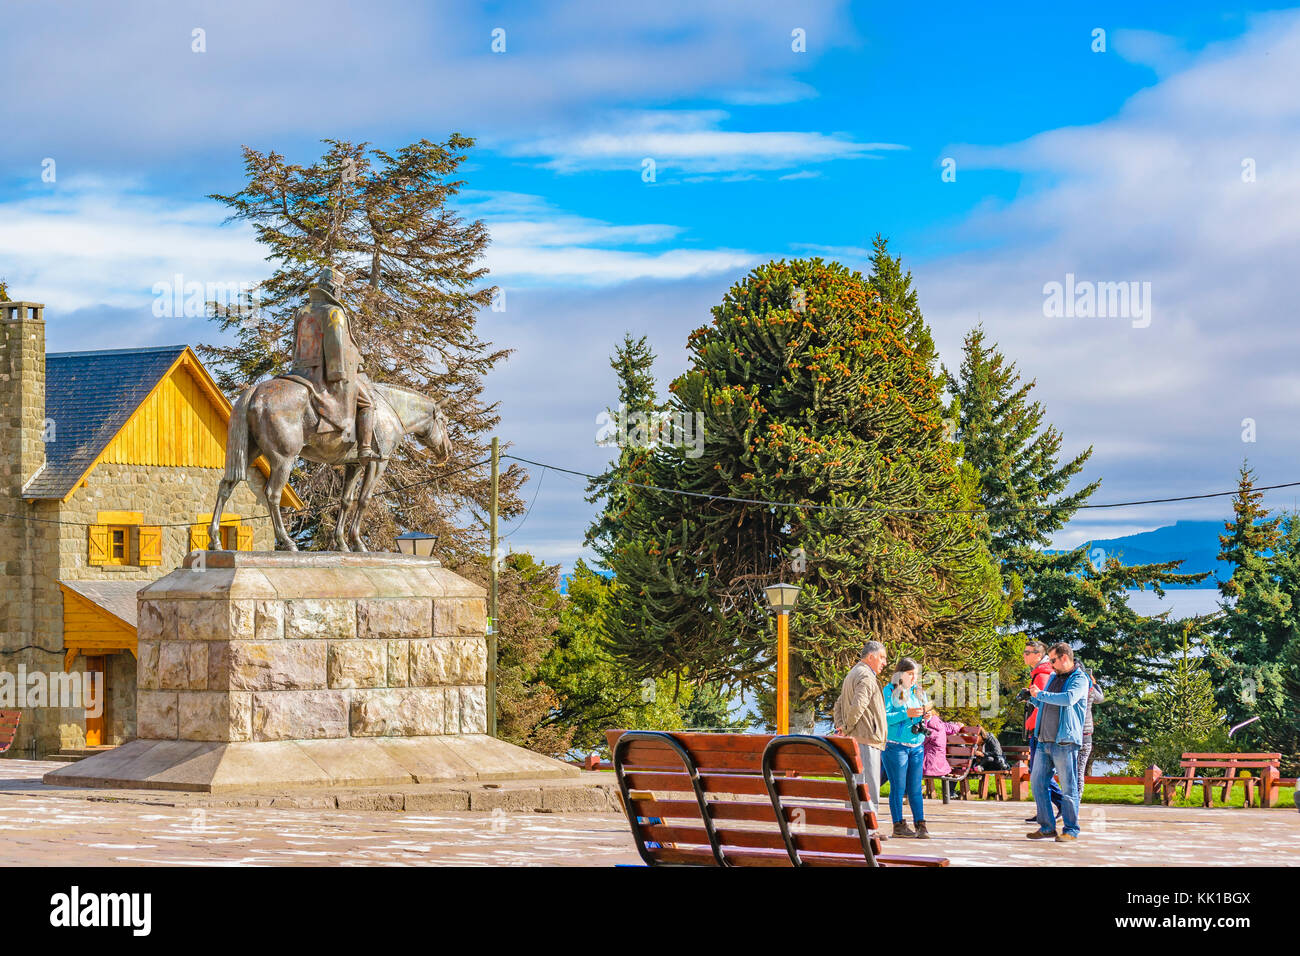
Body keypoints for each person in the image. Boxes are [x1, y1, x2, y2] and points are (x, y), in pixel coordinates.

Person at [288, 266, 379, 460]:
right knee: (368, 404)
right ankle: (364, 448)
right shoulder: (334, 312)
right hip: (323, 374)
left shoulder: (302, 311)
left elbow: (294, 344)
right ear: (335, 290)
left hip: (298, 372)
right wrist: (340, 375)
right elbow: (335, 347)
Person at [1026, 643, 1089, 843]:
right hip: (1044, 741)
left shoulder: (1079, 679)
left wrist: (1041, 695)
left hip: (1064, 742)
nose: (1050, 664)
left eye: (1052, 660)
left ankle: (1071, 830)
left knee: (1069, 788)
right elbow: (1047, 703)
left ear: (1064, 658)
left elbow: (1068, 699)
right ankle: (1047, 827)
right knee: (1037, 785)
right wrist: (1032, 699)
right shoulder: (1054, 677)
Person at [833, 641, 889, 837]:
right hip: (866, 740)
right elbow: (858, 705)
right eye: (882, 657)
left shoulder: (853, 673)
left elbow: (838, 703)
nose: (885, 662)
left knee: (855, 785)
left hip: (857, 738)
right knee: (868, 786)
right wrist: (846, 728)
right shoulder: (866, 675)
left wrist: (841, 727)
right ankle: (868, 832)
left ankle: (854, 831)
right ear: (871, 656)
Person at [882, 658, 932, 839]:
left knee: (916, 788)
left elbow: (924, 715)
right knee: (898, 786)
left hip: (917, 745)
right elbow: (885, 718)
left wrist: (927, 713)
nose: (914, 678)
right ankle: (898, 825)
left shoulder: (919, 692)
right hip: (895, 746)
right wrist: (906, 713)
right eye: (910, 674)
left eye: (916, 674)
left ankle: (921, 824)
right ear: (900, 674)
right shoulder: (889, 691)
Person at [1022, 640, 1063, 823]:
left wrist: (1032, 724)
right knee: (1038, 773)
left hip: (1040, 731)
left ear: (1038, 655)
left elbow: (1044, 704)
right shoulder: (1040, 673)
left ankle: (1063, 805)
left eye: (1027, 652)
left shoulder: (1043, 674)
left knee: (1040, 773)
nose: (1024, 655)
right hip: (1037, 729)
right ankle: (1044, 811)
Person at [1077, 665, 1104, 800]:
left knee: (1069, 771)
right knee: (1080, 771)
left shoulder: (1074, 686)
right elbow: (1101, 699)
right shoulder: (1090, 688)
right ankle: (1077, 800)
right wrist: (1095, 683)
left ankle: (1070, 800)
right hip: (1087, 733)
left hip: (1073, 733)